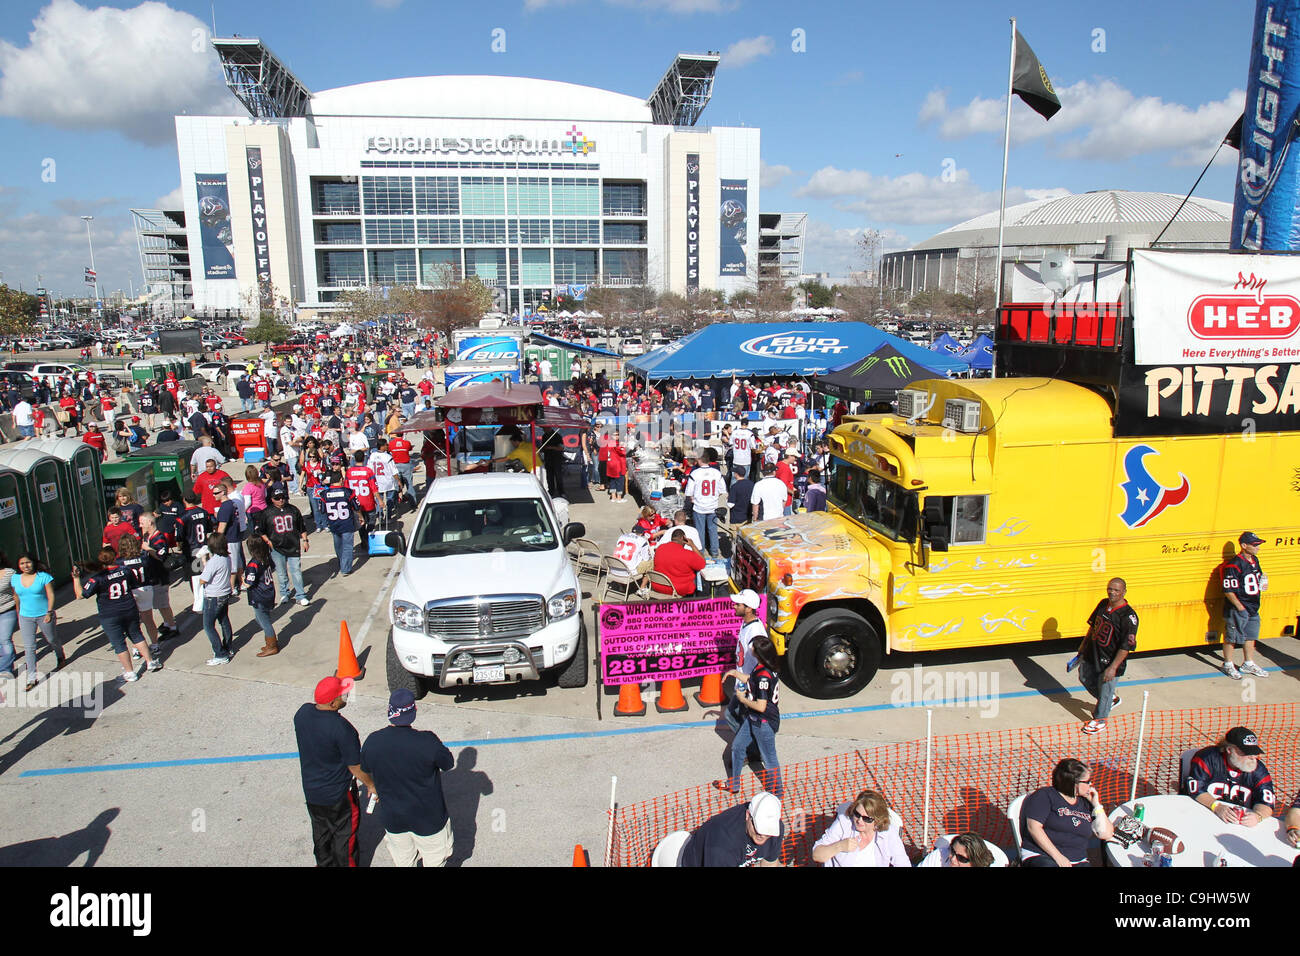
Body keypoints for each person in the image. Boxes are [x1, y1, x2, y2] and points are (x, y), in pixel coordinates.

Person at [360, 689, 456, 867]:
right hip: (429, 821)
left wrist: (371, 786)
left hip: (394, 819)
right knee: (435, 860)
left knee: (403, 862)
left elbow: (363, 767)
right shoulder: (427, 741)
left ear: (389, 711)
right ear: (414, 711)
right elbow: (448, 763)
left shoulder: (373, 741)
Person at [293, 676, 376, 868]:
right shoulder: (342, 729)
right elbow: (354, 766)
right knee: (345, 839)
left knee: (321, 834)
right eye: (342, 694)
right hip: (339, 795)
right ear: (332, 703)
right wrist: (371, 785)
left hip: (312, 791)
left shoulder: (302, 714)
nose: (345, 696)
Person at [72, 548, 158, 684]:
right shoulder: (125, 571)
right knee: (136, 635)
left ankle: (130, 672)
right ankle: (150, 662)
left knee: (119, 643)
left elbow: (80, 595)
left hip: (110, 614)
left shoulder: (98, 578)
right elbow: (134, 586)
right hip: (129, 608)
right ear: (114, 558)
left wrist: (76, 578)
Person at [716, 635, 781, 796]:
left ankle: (778, 794)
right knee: (738, 746)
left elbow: (761, 705)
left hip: (763, 722)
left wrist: (742, 698)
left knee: (769, 758)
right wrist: (734, 673)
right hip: (753, 719)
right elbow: (752, 680)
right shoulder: (763, 667)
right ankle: (734, 785)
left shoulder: (764, 676)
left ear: (758, 653)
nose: (750, 648)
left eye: (753, 647)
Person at [1019, 758, 1114, 867]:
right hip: (1042, 855)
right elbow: (1033, 828)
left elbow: (1106, 834)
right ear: (1074, 783)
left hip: (1078, 860)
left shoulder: (1086, 802)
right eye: (1087, 782)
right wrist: (1058, 857)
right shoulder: (1045, 795)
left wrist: (1097, 805)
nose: (1091, 784)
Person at [1078, 577, 1138, 735]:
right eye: (1110, 589)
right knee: (1084, 677)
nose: (1112, 592)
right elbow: (1093, 626)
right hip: (1093, 654)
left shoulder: (1128, 617)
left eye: (1116, 590)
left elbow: (1126, 646)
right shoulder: (1103, 604)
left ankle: (1100, 720)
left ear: (1124, 592)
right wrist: (1083, 646)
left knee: (1105, 690)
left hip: (1111, 661)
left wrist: (1113, 668)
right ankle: (1110, 699)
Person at [1183, 726, 1276, 826]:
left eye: (1254, 752)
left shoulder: (1258, 770)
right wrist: (1216, 806)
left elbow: (1267, 803)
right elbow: (1196, 789)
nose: (1252, 757)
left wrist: (1258, 816)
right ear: (1229, 750)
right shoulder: (1207, 758)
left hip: (1238, 826)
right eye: (1246, 752)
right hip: (1202, 817)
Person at [678, 791, 784, 868]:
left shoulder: (776, 831)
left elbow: (769, 862)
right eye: (759, 829)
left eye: (768, 832)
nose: (763, 835)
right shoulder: (722, 844)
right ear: (748, 815)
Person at [811, 790, 910, 867]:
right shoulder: (844, 824)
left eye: (866, 818)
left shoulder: (888, 833)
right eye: (857, 814)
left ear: (878, 820)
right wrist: (839, 846)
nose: (859, 821)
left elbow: (902, 863)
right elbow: (816, 855)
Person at [12, 553, 67, 690]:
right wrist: (18, 612)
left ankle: (60, 655)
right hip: (25, 617)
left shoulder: (43, 577)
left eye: (28, 562)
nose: (25, 566)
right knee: (29, 647)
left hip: (44, 615)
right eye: (22, 564)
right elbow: (16, 596)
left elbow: (51, 594)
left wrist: (49, 611)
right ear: (19, 566)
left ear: (33, 563)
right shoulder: (15, 578)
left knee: (52, 639)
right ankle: (32, 678)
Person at [1220, 531, 1270, 680]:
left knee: (1251, 636)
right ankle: (1228, 664)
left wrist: (1263, 582)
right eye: (1255, 545)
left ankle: (1248, 663)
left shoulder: (1255, 560)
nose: (1258, 547)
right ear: (1243, 546)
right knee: (1232, 637)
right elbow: (1228, 590)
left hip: (1253, 607)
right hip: (1238, 608)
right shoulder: (1234, 565)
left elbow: (1257, 577)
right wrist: (1240, 607)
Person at [255, 486, 310, 606]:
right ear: (272, 499)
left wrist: (305, 540)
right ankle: (284, 593)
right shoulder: (267, 513)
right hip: (276, 547)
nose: (280, 500)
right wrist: (268, 541)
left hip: (293, 545)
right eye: (277, 498)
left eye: (282, 497)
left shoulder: (293, 510)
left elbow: (302, 527)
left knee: (296, 571)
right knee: (281, 572)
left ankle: (300, 595)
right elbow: (260, 530)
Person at [138, 512, 180, 642]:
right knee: (159, 604)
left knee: (163, 604)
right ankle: (167, 623)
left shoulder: (159, 538)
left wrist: (148, 548)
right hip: (152, 577)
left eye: (142, 522)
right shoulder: (147, 536)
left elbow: (161, 556)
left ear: (150, 523)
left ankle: (172, 628)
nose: (140, 525)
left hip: (160, 577)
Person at [199, 531, 237, 666]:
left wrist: (204, 561)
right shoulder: (227, 557)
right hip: (224, 593)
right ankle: (228, 647)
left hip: (213, 596)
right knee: (224, 621)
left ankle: (220, 654)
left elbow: (203, 580)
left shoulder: (213, 561)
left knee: (208, 626)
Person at [685, 448, 726, 560]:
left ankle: (701, 551)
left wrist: (693, 499)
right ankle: (714, 551)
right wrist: (714, 497)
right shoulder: (717, 473)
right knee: (712, 529)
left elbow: (689, 492)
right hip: (712, 506)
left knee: (700, 531)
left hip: (699, 507)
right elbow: (722, 490)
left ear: (699, 460)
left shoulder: (695, 473)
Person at [243, 537, 280, 657]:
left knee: (264, 621)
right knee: (261, 618)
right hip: (269, 592)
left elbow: (249, 583)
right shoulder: (266, 557)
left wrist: (241, 579)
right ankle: (269, 641)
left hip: (259, 596)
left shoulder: (253, 564)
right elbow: (273, 568)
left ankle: (272, 645)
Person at [320, 471, 361, 576]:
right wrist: (360, 516)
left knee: (338, 545)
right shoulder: (348, 492)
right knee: (347, 546)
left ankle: (342, 562)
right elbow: (356, 506)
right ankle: (345, 568)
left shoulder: (324, 494)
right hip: (346, 522)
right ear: (341, 480)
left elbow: (322, 510)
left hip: (333, 523)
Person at [651, 528, 705, 597]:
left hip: (658, 586)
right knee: (697, 574)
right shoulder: (687, 554)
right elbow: (702, 564)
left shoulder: (660, 548)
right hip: (678, 589)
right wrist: (692, 545)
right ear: (684, 538)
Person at [917, 832, 997, 867]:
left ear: (975, 861)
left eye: (961, 858)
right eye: (952, 851)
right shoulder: (940, 855)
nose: (953, 859)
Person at [0, 552, 16, 679]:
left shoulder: (9, 573)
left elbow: (17, 593)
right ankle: (8, 657)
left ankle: (6, 669)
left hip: (7, 610)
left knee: (5, 639)